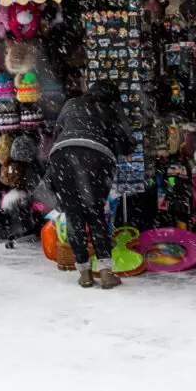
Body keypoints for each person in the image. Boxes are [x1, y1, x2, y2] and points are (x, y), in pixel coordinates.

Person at [47, 80, 135, 289]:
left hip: (62, 155)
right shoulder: (111, 109)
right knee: (95, 213)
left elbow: (57, 132)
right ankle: (105, 272)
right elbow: (126, 144)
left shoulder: (72, 103)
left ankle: (84, 273)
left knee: (73, 214)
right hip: (95, 157)